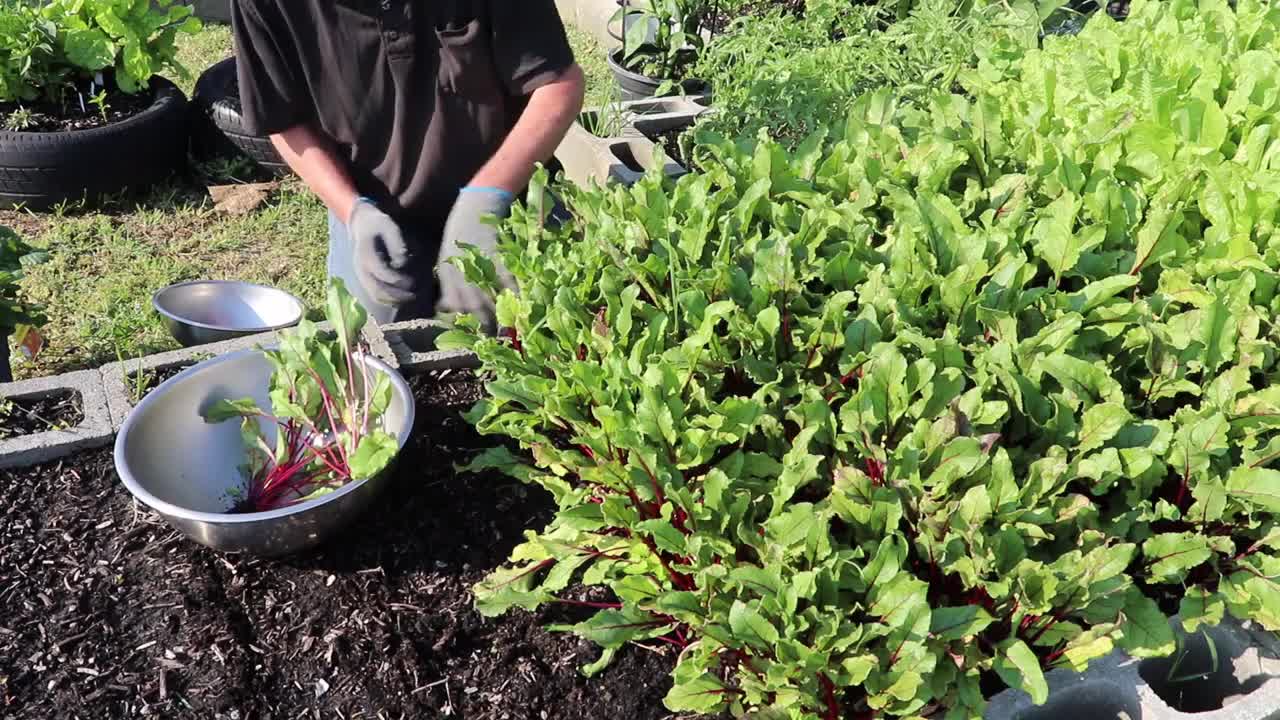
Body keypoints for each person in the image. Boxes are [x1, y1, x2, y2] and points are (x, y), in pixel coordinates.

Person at [230, 0, 586, 330]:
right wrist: (354, 212)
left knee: (537, 328)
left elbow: (559, 84)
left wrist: (486, 198)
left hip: (509, 193)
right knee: (378, 336)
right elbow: (282, 119)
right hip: (375, 203)